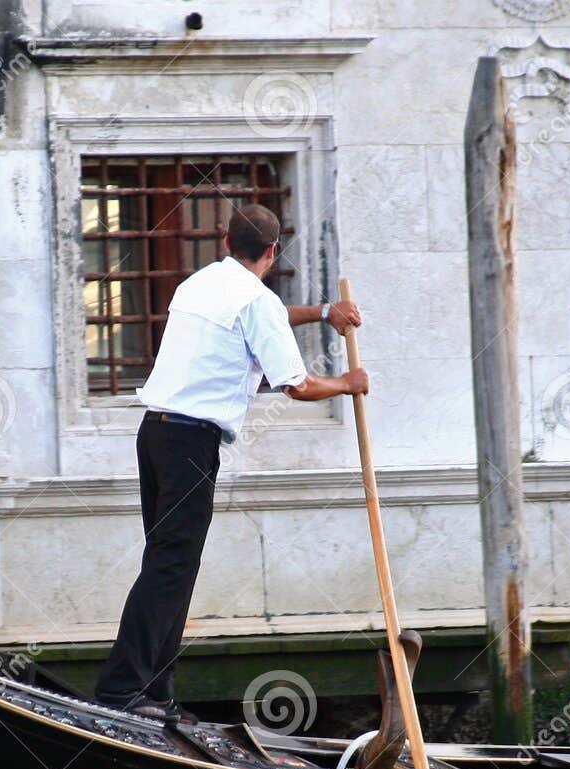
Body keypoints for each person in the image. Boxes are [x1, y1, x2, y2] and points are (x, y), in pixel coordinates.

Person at [94, 204, 369, 722]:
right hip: (189, 445)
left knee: (172, 562)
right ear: (271, 252)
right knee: (171, 564)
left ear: (225, 243)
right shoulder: (255, 302)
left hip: (153, 434)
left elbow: (264, 316)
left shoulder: (200, 284)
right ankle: (120, 691)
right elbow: (298, 385)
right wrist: (348, 384)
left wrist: (323, 312)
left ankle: (154, 690)